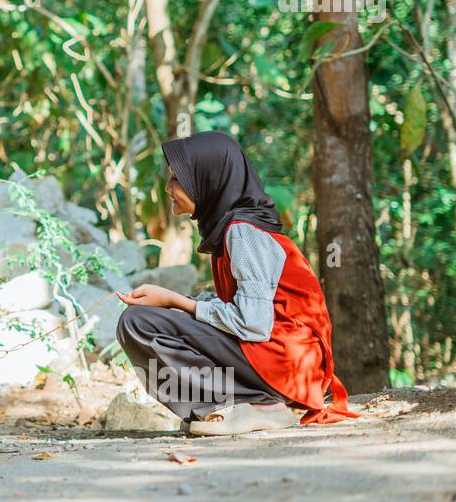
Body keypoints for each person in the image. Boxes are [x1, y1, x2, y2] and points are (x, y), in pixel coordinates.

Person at [115, 131, 357, 435]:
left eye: (177, 179)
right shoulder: (235, 228)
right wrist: (177, 305)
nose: (168, 188)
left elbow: (253, 323)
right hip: (284, 363)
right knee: (146, 318)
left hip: (286, 364)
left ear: (209, 179)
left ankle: (256, 405)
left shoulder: (243, 232)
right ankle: (238, 403)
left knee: (137, 322)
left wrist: (176, 301)